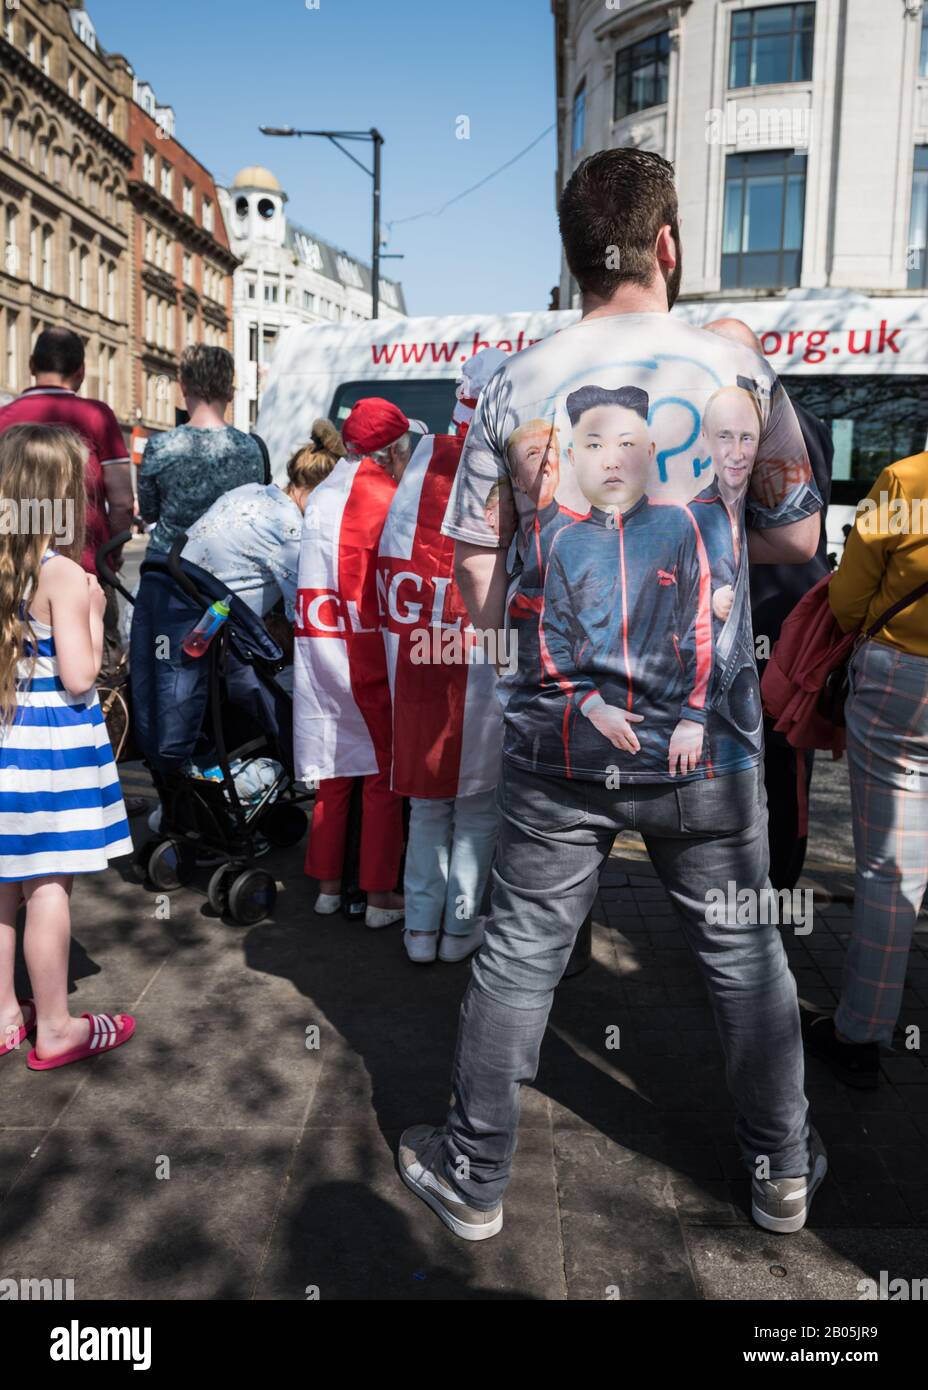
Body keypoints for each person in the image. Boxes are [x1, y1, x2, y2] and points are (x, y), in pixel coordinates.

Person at [398, 146, 827, 1242]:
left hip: (558, 739)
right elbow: (797, 532)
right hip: (712, 742)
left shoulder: (512, 381)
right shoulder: (740, 374)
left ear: (573, 253)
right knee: (743, 947)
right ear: (667, 244)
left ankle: (476, 1172)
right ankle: (781, 1172)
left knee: (519, 949)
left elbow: (476, 571)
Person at [0, 425, 135, 1071]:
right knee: (47, 886)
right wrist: (97, 613)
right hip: (47, 759)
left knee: (3, 885)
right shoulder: (65, 576)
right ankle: (54, 1025)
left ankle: (5, 1013)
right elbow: (80, 677)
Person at [377, 349, 506, 965]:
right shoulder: (508, 465)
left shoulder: (422, 459)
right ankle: (460, 932)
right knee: (478, 806)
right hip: (482, 652)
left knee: (428, 804)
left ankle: (420, 932)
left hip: (419, 649)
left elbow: (391, 564)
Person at [811, 450, 928, 1088]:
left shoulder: (909, 480)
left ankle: (860, 1034)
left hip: (904, 684)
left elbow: (850, 597)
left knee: (892, 870)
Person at [294, 399, 416, 929]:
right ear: (392, 447)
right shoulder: (389, 496)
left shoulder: (322, 494)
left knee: (334, 769)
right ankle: (379, 895)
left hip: (320, 642)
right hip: (367, 646)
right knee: (383, 772)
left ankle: (326, 887)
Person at [0, 328, 134, 675]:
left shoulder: (5, 418)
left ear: (31, 365)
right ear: (81, 371)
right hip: (86, 566)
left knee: (19, 667)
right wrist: (112, 556)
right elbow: (121, 500)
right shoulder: (97, 416)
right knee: (101, 668)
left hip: (15, 571)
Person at [182, 419, 345, 623]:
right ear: (319, 490)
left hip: (161, 612)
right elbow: (306, 613)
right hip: (200, 636)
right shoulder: (290, 530)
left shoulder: (249, 491)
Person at [137, 345, 264, 555]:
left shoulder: (160, 447)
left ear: (183, 387)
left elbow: (149, 513)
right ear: (230, 393)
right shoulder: (250, 448)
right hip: (228, 567)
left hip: (169, 564)